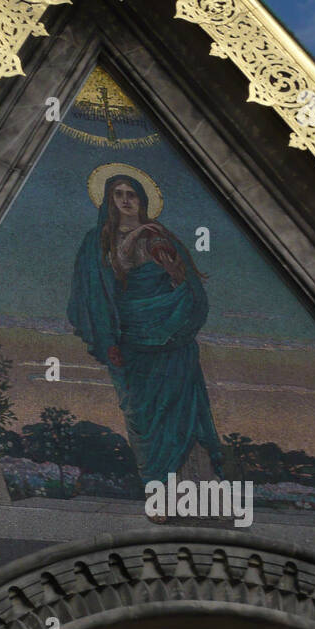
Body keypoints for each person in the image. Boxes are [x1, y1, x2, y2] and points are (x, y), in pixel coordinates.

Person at [68, 164, 222, 496]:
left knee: (182, 415)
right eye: (118, 195)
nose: (125, 201)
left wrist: (176, 280)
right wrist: (108, 339)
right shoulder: (96, 243)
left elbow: (192, 291)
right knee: (141, 415)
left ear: (141, 200)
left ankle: (195, 492)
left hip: (172, 341)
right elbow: (90, 296)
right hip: (130, 344)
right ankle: (158, 491)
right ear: (108, 200)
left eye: (131, 195)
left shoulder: (161, 238)